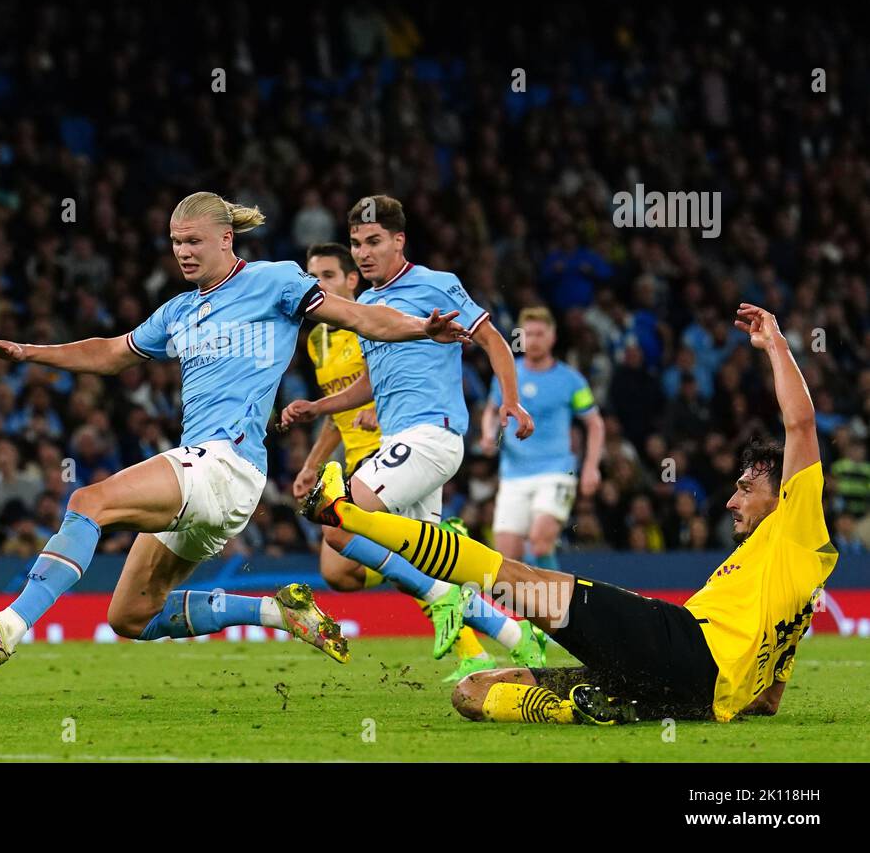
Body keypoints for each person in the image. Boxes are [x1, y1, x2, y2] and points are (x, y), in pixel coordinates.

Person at [0, 192, 469, 668]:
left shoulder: (274, 281)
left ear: (225, 238)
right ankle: (275, 612)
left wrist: (422, 328)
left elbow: (358, 317)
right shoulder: (178, 311)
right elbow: (108, 353)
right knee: (130, 616)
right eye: (175, 242)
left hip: (227, 464)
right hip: (205, 474)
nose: (183, 252)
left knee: (87, 501)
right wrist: (25, 351)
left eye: (193, 241)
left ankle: (9, 624)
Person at [301, 304, 838, 725]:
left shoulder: (797, 527)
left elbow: (801, 425)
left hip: (676, 640)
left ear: (783, 495)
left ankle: (347, 514)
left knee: (510, 577)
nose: (731, 501)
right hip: (687, 696)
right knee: (475, 692)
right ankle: (575, 704)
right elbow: (767, 702)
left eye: (745, 489)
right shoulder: (796, 590)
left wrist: (776, 345)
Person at [282, 196, 545, 681]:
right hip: (403, 441)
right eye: (358, 243)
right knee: (421, 563)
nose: (364, 252)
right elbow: (371, 384)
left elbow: (490, 339)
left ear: (399, 241)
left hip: (432, 436)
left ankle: (447, 597)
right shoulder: (362, 308)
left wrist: (510, 398)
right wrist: (319, 407)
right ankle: (519, 637)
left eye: (374, 242)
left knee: (338, 523)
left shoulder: (436, 285)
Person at [480, 306, 604, 569]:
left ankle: (554, 606)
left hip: (556, 471)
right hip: (513, 474)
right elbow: (491, 411)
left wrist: (591, 466)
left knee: (539, 542)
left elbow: (594, 423)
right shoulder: (506, 374)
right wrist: (489, 434)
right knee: (507, 557)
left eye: (540, 333)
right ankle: (523, 610)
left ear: (552, 337)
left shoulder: (572, 380)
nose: (534, 340)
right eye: (529, 334)